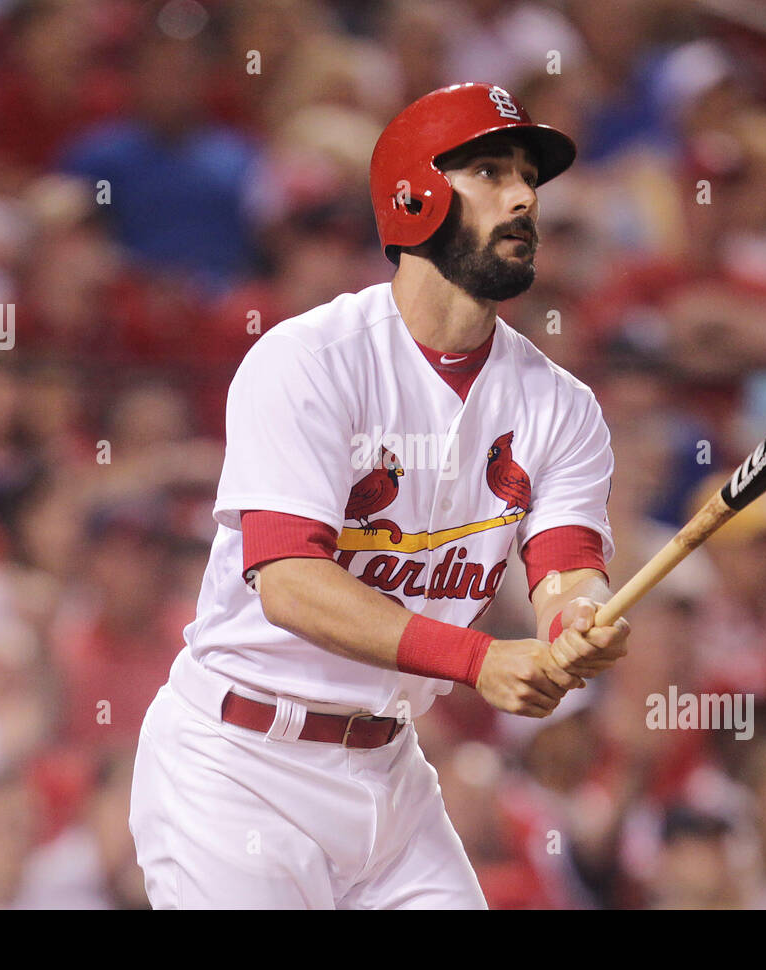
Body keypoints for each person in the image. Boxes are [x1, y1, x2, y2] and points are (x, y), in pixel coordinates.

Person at [128, 82, 629, 909]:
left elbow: (567, 567)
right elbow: (288, 581)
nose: (524, 197)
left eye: (530, 179)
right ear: (414, 195)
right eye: (491, 171)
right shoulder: (309, 360)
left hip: (390, 775)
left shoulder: (561, 406)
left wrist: (579, 619)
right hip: (238, 764)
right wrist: (480, 660)